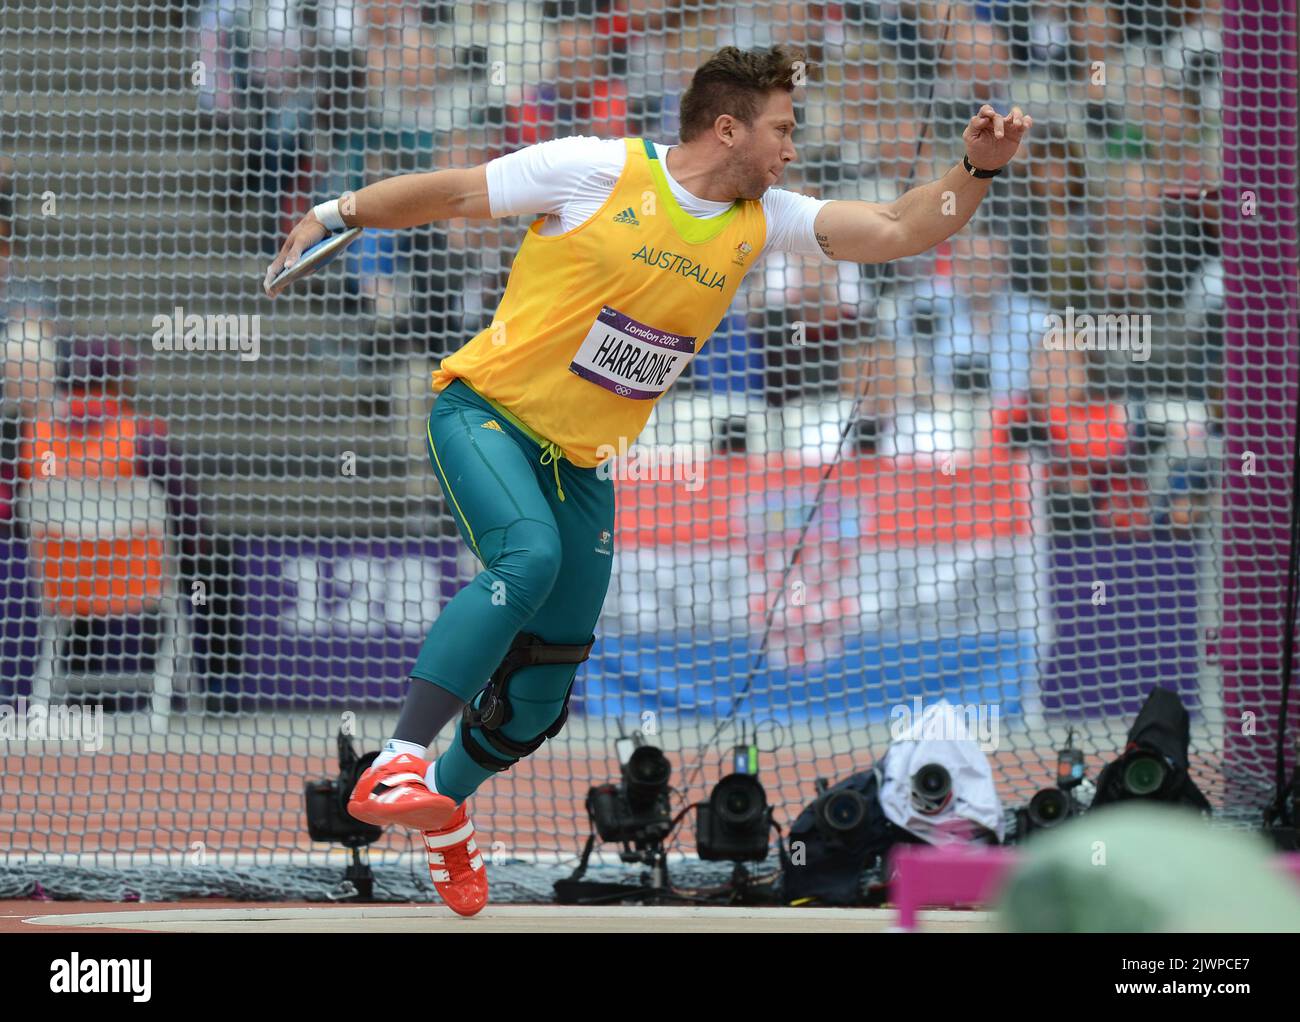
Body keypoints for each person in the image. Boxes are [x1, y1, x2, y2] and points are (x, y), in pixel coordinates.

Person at [266, 44, 1032, 917]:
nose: (793, 146)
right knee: (528, 559)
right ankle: (397, 763)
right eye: (782, 128)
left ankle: (442, 811)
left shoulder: (764, 216)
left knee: (541, 693)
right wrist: (333, 211)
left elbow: (899, 228)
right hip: (484, 415)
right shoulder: (596, 169)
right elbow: (452, 192)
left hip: (583, 465)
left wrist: (975, 169)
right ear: (728, 126)